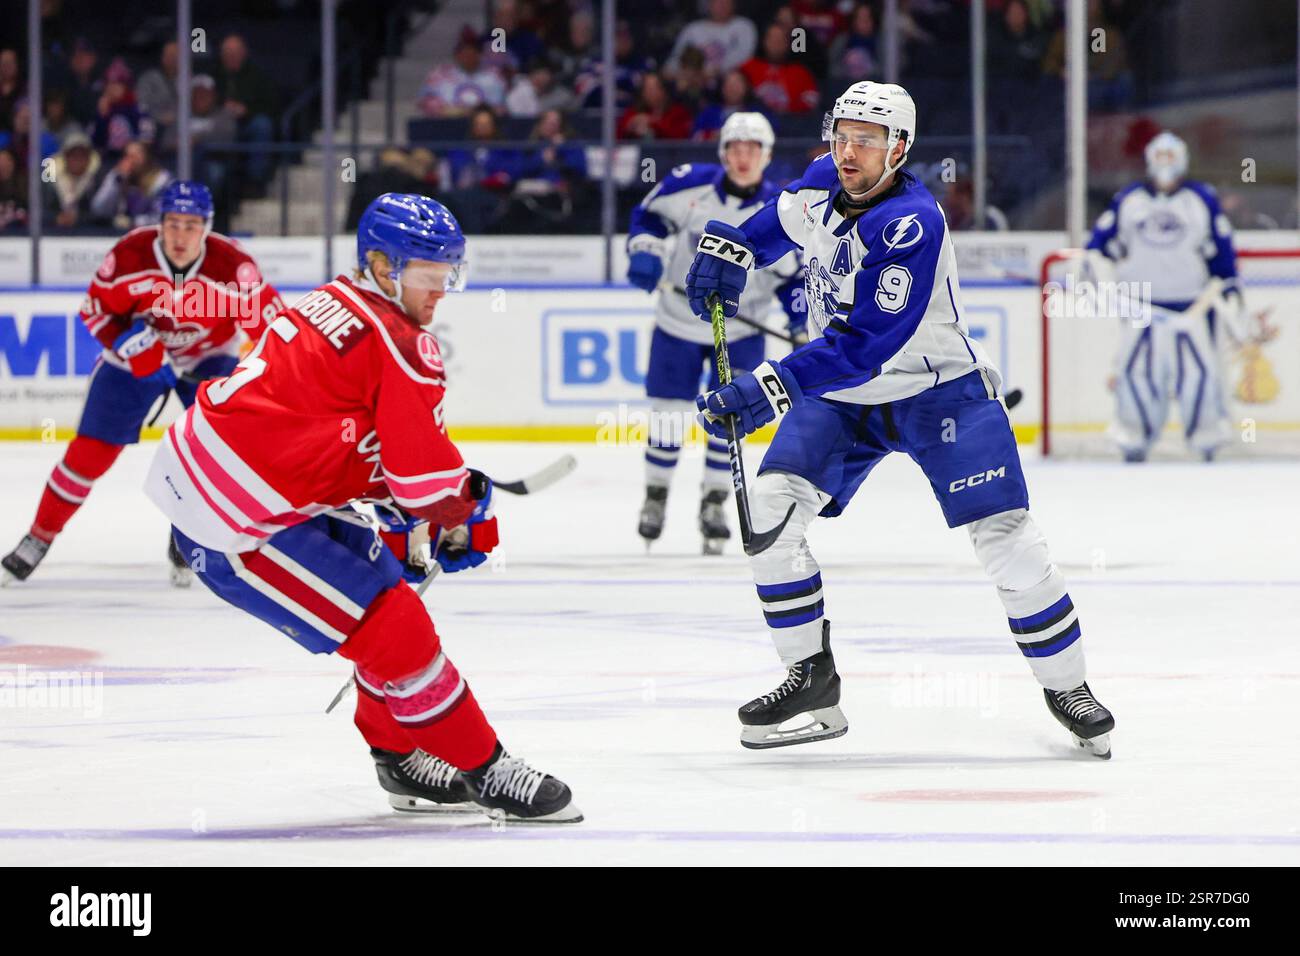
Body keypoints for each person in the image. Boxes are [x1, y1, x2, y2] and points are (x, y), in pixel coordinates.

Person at [684, 82, 1115, 757]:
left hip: (938, 390)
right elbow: (783, 218)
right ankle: (810, 677)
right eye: (842, 135)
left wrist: (773, 385)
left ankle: (1069, 686)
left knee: (1007, 537)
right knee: (769, 514)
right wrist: (736, 250)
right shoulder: (824, 180)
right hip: (844, 397)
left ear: (900, 149)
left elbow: (866, 345)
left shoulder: (911, 222)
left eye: (867, 140)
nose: (849, 151)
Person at [139, 193, 581, 823]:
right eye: (427, 272)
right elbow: (424, 483)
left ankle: (400, 760)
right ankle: (488, 770)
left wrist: (418, 511)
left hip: (227, 475)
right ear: (380, 266)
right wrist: (462, 509)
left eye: (448, 272)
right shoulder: (404, 345)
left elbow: (339, 434)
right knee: (396, 628)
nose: (441, 289)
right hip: (234, 523)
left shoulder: (331, 298)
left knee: (387, 586)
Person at [1, 182, 283, 586]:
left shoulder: (234, 266)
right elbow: (95, 312)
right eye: (173, 223)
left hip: (208, 358)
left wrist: (255, 375)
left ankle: (187, 539)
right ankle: (39, 536)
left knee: (217, 457)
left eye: (191, 225)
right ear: (160, 223)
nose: (180, 235)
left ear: (206, 227)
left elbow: (275, 335)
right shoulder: (130, 255)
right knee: (88, 455)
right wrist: (130, 344)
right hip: (133, 357)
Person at [627, 112, 804, 554]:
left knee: (730, 417)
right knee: (668, 412)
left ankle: (713, 502)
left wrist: (800, 319)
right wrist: (646, 250)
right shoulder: (689, 185)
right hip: (678, 323)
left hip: (740, 332)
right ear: (723, 152)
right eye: (735, 148)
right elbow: (649, 217)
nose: (743, 158)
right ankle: (656, 494)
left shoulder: (781, 210)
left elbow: (792, 278)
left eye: (752, 149)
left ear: (767, 155)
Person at [1086, 131, 1247, 462]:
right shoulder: (1129, 200)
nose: (1164, 164)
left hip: (1191, 308)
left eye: (1170, 157)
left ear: (1182, 161)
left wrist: (1230, 286)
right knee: (1137, 374)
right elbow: (1099, 247)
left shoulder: (1201, 198)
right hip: (1140, 307)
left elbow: (1221, 249)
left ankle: (1206, 439)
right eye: (1159, 157)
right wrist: (1096, 279)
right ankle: (1133, 439)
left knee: (1198, 374)